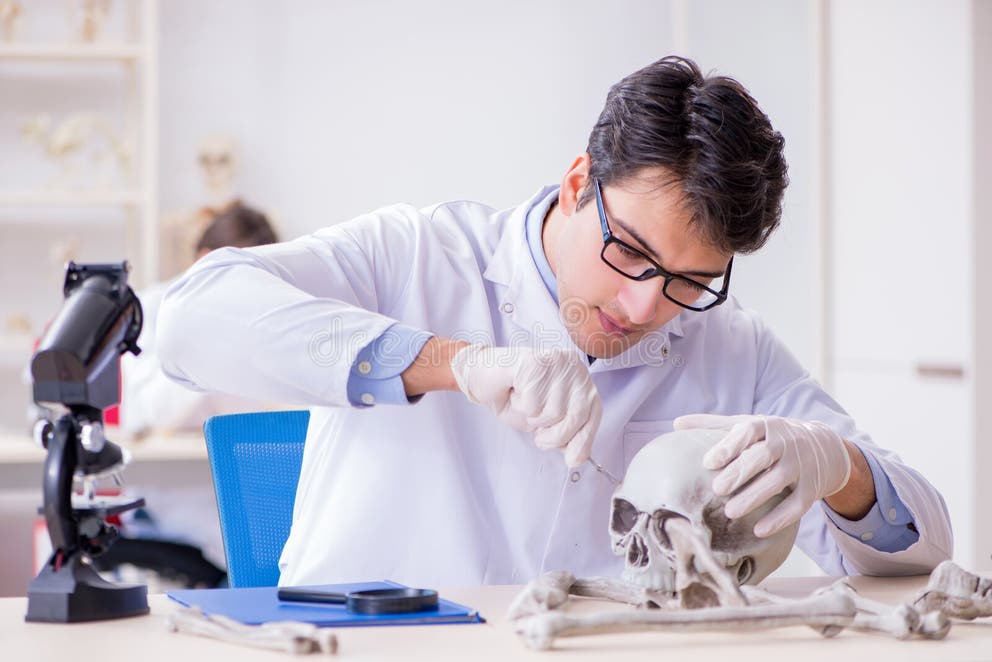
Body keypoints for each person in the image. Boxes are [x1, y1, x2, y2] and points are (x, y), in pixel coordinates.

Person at [158, 56, 952, 588]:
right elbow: (191, 320)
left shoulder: (729, 342)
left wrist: (839, 468)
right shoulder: (416, 255)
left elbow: (925, 552)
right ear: (578, 183)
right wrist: (453, 363)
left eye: (689, 282)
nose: (644, 308)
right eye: (630, 251)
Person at [114, 201, 278, 586]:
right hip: (174, 495)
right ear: (206, 261)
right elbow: (149, 414)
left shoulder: (259, 317)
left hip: (241, 486)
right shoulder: (153, 307)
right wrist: (214, 336)